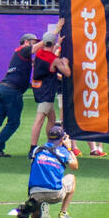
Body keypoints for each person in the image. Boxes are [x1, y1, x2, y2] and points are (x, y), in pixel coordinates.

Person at [0, 32, 42, 157]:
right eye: (33, 42)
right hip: (13, 92)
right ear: (26, 42)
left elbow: (35, 63)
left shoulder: (20, 54)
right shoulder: (24, 51)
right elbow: (39, 47)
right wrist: (52, 36)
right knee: (13, 122)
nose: (35, 44)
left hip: (4, 88)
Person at [12, 125, 79, 218]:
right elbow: (75, 166)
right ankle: (63, 213)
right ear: (62, 139)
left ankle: (39, 207)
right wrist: (69, 149)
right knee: (71, 178)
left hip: (35, 194)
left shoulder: (37, 149)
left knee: (35, 217)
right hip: (55, 194)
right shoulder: (64, 152)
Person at [27, 22, 70, 158]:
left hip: (38, 89)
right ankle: (32, 148)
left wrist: (58, 43)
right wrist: (66, 63)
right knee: (39, 119)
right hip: (47, 92)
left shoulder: (39, 53)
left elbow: (49, 50)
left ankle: (50, 145)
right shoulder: (54, 60)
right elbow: (67, 73)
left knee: (52, 119)